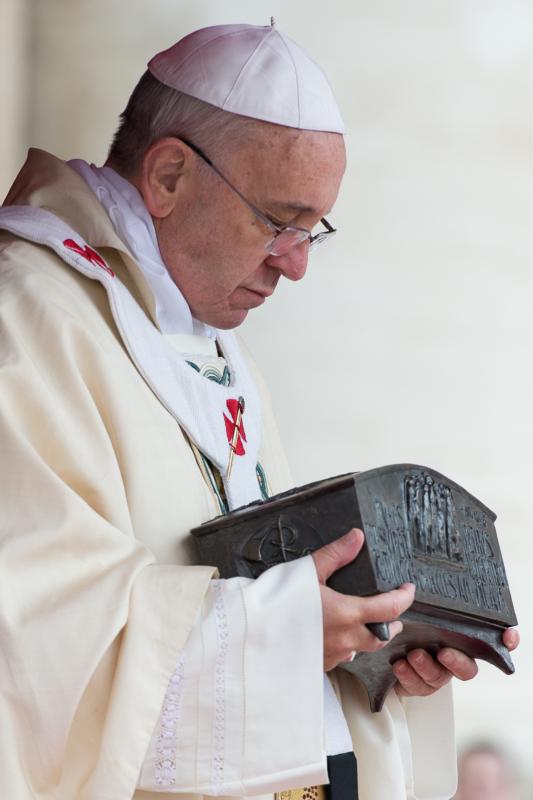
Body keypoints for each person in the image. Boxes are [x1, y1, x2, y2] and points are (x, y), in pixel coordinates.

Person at [0, 20, 518, 800]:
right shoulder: (27, 316)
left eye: (315, 230)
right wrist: (278, 636)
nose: (297, 263)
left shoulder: (210, 347)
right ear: (169, 175)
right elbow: (32, 633)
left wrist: (371, 653)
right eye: (278, 221)